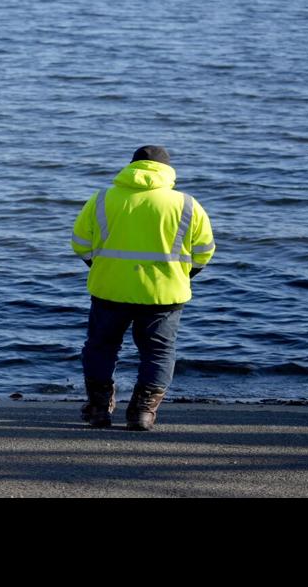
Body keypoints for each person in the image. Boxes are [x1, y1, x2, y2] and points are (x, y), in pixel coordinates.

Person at [70, 145, 216, 431]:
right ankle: (142, 413)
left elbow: (80, 243)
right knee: (158, 352)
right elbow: (204, 251)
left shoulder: (103, 198)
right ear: (167, 170)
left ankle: (99, 409)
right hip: (165, 293)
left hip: (110, 287)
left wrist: (102, 267)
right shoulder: (186, 204)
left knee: (101, 347)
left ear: (131, 167)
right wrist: (184, 274)